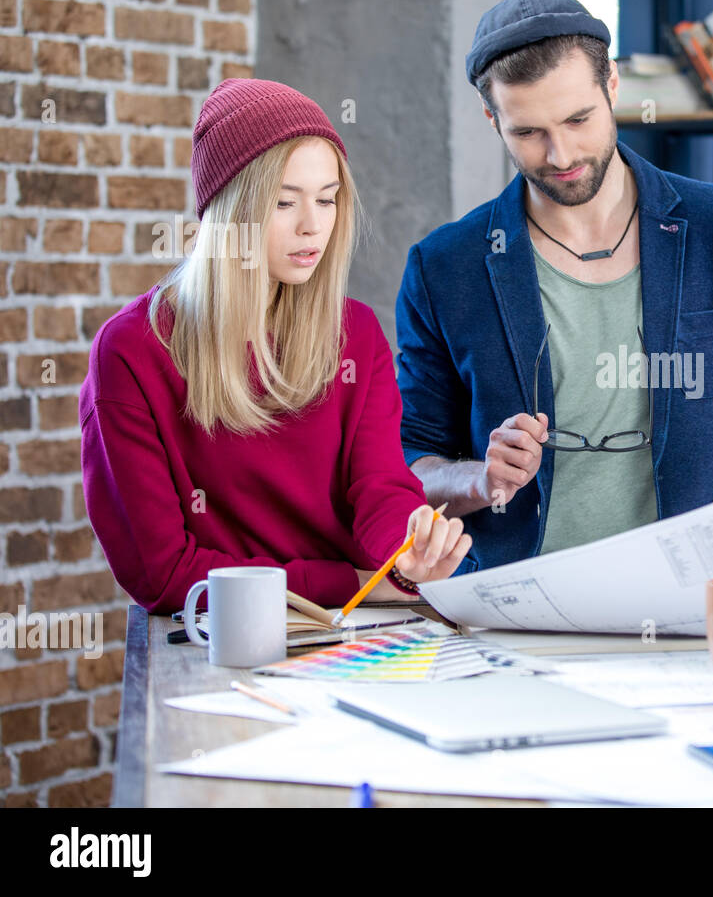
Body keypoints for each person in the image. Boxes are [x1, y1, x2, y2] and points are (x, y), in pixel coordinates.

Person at [396, 0, 713, 571]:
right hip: (513, 607)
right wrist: (477, 477)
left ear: (612, 86)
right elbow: (412, 462)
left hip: (691, 600)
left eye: (578, 119)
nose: (560, 153)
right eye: (527, 132)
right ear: (492, 118)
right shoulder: (444, 266)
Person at [80, 78, 470, 615]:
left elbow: (379, 485)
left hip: (358, 627)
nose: (314, 226)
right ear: (229, 211)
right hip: (220, 639)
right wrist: (345, 582)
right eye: (285, 202)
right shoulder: (131, 352)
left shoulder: (354, 333)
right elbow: (165, 574)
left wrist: (408, 549)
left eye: (328, 200)